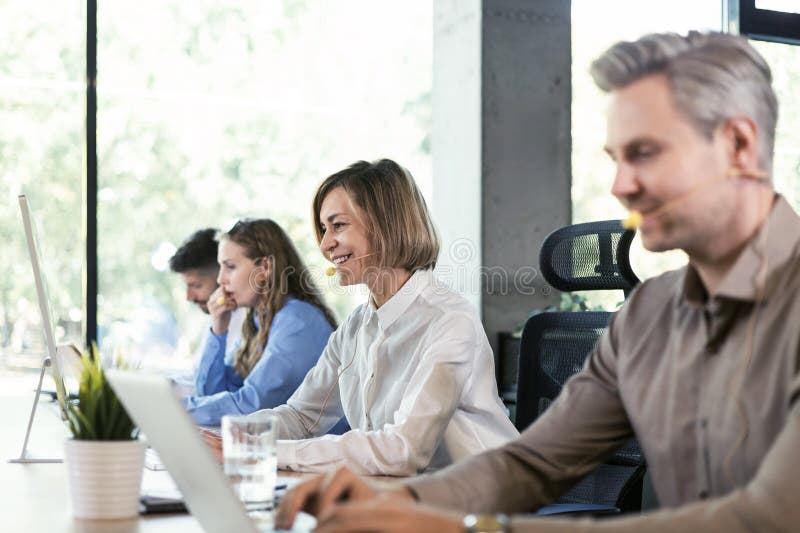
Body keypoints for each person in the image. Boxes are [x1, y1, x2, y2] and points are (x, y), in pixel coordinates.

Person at [275, 32, 800, 532]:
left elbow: (764, 518)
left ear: (737, 145)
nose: (620, 186)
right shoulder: (647, 316)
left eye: (645, 153)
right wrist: (399, 502)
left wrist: (463, 527)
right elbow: (530, 464)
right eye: (614, 159)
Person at [207, 159, 518, 476]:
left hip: (486, 502)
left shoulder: (449, 322)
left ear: (385, 224)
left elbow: (403, 451)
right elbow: (302, 416)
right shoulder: (356, 326)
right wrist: (231, 439)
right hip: (408, 495)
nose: (326, 244)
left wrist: (259, 450)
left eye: (338, 225)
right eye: (324, 229)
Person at [181, 219, 338, 426]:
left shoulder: (297, 321)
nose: (220, 280)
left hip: (318, 451)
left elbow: (252, 405)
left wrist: (174, 409)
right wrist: (218, 329)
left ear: (264, 268)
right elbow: (212, 394)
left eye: (230, 267)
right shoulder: (257, 321)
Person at [168, 228, 244, 392]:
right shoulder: (217, 315)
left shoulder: (247, 322)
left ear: (224, 277)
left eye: (196, 285)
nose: (189, 297)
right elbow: (199, 377)